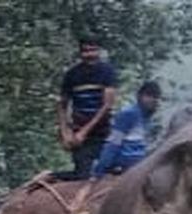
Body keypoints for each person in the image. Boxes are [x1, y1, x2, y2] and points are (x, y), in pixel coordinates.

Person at [57, 37, 118, 178]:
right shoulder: (72, 74)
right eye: (85, 51)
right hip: (80, 135)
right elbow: (62, 104)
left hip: (103, 133)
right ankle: (51, 177)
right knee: (82, 176)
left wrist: (85, 131)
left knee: (110, 173)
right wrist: (64, 132)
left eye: (93, 50)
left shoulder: (107, 72)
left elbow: (107, 105)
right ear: (80, 53)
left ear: (99, 51)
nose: (89, 54)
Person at [91, 81, 162, 178]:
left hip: (139, 166)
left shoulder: (147, 118)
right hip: (122, 167)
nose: (153, 100)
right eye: (149, 96)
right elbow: (113, 143)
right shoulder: (128, 114)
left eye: (156, 97)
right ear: (139, 96)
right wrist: (100, 170)